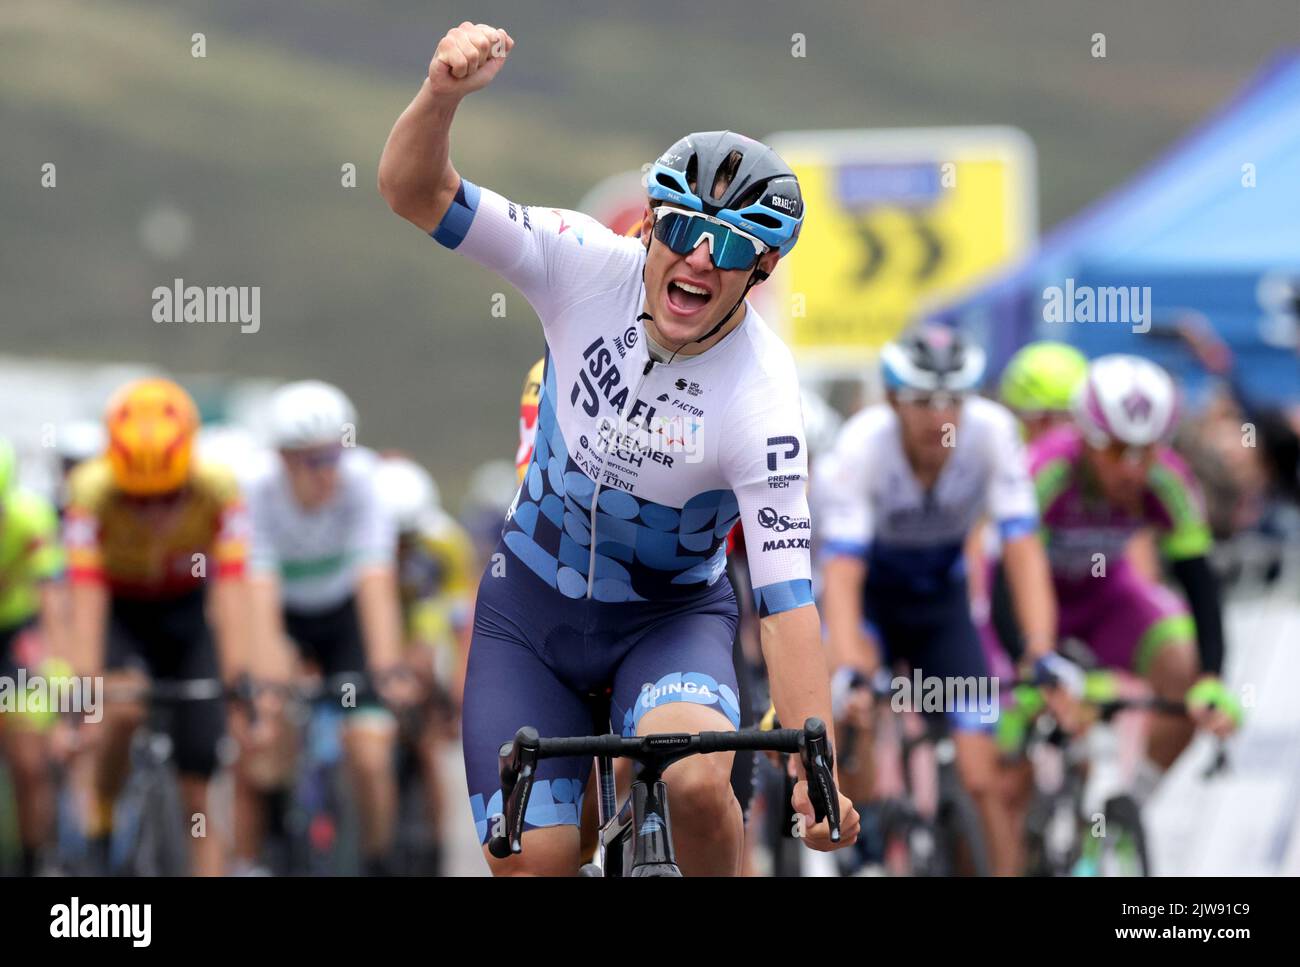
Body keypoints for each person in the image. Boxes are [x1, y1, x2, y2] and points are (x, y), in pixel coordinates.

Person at [379, 20, 857, 875]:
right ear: (651, 227)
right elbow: (415, 192)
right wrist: (442, 95)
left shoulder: (765, 397)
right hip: (529, 613)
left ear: (763, 271)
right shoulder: (579, 263)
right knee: (541, 859)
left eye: (739, 245)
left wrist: (808, 771)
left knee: (699, 783)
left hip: (668, 623)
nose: (704, 259)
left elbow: (788, 601)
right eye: (686, 229)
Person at [817, 324, 1059, 876]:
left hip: (941, 610)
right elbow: (844, 575)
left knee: (984, 778)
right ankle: (863, 848)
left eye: (954, 402)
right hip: (874, 605)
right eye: (922, 401)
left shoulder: (993, 433)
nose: (940, 417)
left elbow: (1022, 551)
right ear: (893, 401)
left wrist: (1040, 649)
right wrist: (851, 667)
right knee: (854, 713)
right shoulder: (863, 444)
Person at [65, 378, 249, 876]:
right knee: (122, 707)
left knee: (198, 787)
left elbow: (233, 593)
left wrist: (238, 675)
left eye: (169, 498)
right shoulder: (89, 491)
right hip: (121, 610)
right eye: (137, 502)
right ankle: (102, 813)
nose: (154, 514)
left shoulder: (219, 488)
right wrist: (86, 680)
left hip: (185, 614)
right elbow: (86, 597)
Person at [1030, 355, 1242, 772]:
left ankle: (1124, 811)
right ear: (1085, 437)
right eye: (1116, 449)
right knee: (1002, 778)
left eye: (1146, 451)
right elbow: (1004, 575)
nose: (1132, 468)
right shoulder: (1048, 468)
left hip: (1106, 596)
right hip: (1033, 602)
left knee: (1186, 669)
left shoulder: (1169, 480)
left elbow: (1199, 578)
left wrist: (1212, 676)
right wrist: (1031, 656)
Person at [237, 380, 410, 877]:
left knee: (372, 753)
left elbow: (375, 583)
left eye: (335, 455)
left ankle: (378, 859)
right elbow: (259, 593)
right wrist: (269, 683)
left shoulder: (364, 480)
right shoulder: (256, 488)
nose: (328, 471)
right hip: (285, 616)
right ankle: (271, 847)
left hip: (344, 617)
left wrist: (388, 670)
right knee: (268, 731)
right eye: (314, 460)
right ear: (285, 460)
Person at [374, 453, 477, 874]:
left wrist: (456, 693)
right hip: (380, 621)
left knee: (430, 738)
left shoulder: (446, 542)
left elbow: (460, 622)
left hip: (421, 620)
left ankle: (435, 849)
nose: (400, 549)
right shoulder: (360, 536)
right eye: (392, 540)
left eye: (408, 539)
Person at [0, 439, 68, 875]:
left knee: (29, 761)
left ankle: (33, 863)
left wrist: (64, 691)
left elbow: (53, 609)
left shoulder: (32, 517)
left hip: (14, 637)